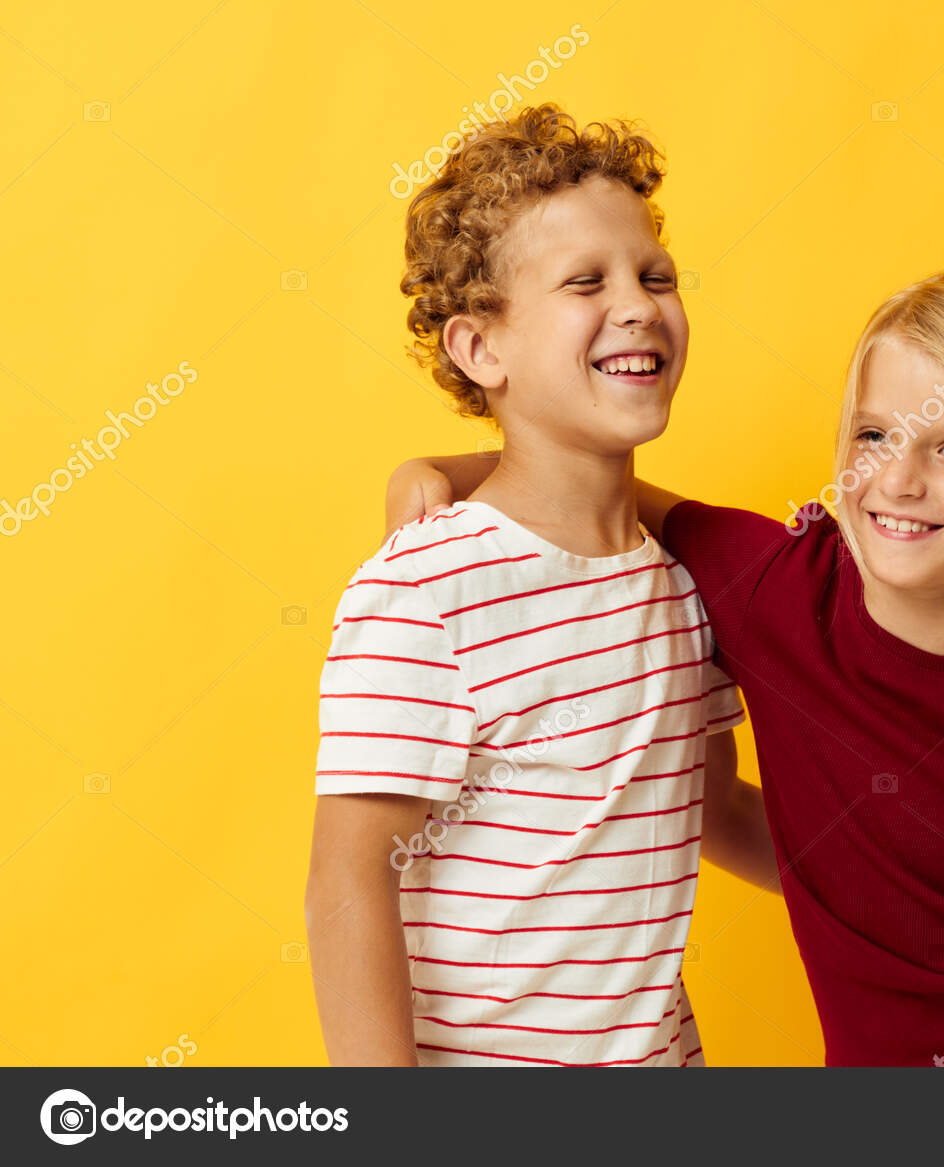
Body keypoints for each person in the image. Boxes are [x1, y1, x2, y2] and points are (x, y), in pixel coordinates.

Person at [389, 267, 944, 1067]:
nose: (898, 479)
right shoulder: (777, 591)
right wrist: (438, 474)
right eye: (875, 434)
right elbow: (590, 487)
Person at [304, 103, 774, 1068]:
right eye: (584, 282)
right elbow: (347, 884)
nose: (639, 303)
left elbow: (716, 810)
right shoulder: (427, 587)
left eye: (656, 276)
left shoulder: (688, 585)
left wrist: (915, 871)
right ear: (482, 350)